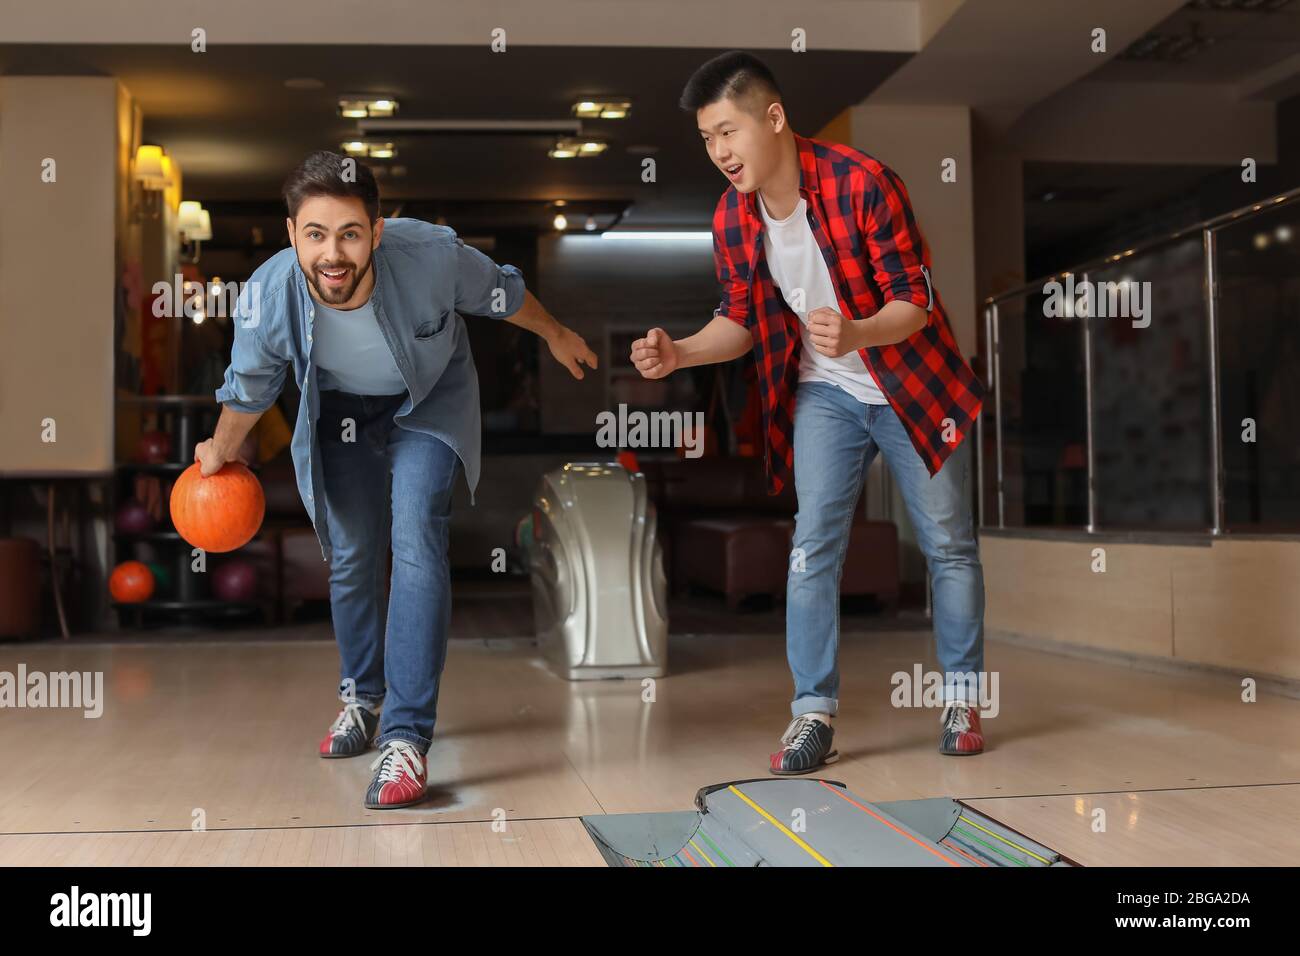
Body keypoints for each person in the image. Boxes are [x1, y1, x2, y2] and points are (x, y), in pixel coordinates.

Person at [200, 151, 597, 808]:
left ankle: (406, 738)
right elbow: (248, 390)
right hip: (339, 414)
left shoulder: (433, 256)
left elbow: (502, 293)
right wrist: (220, 451)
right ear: (292, 232)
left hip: (426, 403)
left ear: (377, 231)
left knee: (415, 536)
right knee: (352, 552)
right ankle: (361, 698)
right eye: (316, 234)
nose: (333, 253)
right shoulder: (267, 295)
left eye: (350, 234)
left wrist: (554, 333)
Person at [630, 51, 987, 775]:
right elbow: (741, 320)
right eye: (707, 138)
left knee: (947, 542)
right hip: (826, 390)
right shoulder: (733, 217)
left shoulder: (865, 183)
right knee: (811, 545)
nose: (720, 152)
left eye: (728, 131)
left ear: (774, 117)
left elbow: (913, 304)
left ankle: (961, 695)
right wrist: (682, 354)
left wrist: (857, 332)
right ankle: (813, 714)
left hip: (913, 381)